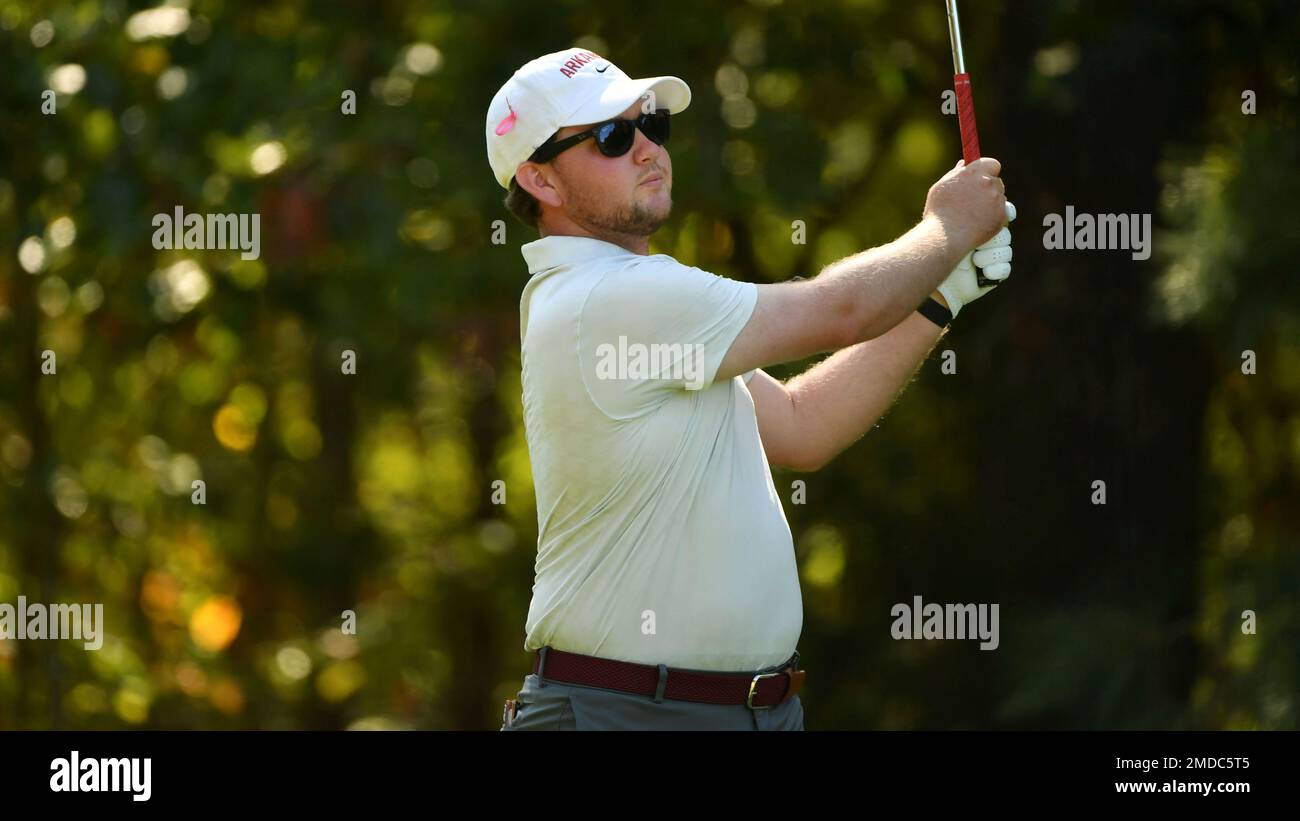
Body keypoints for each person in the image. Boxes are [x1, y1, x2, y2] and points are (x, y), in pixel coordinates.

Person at [485, 48, 1014, 730]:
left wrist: (940, 293)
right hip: (626, 713)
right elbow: (840, 310)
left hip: (737, 713)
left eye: (649, 125)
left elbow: (801, 424)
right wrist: (945, 227)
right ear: (540, 180)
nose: (646, 148)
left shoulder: (635, 304)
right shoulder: (606, 299)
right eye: (612, 137)